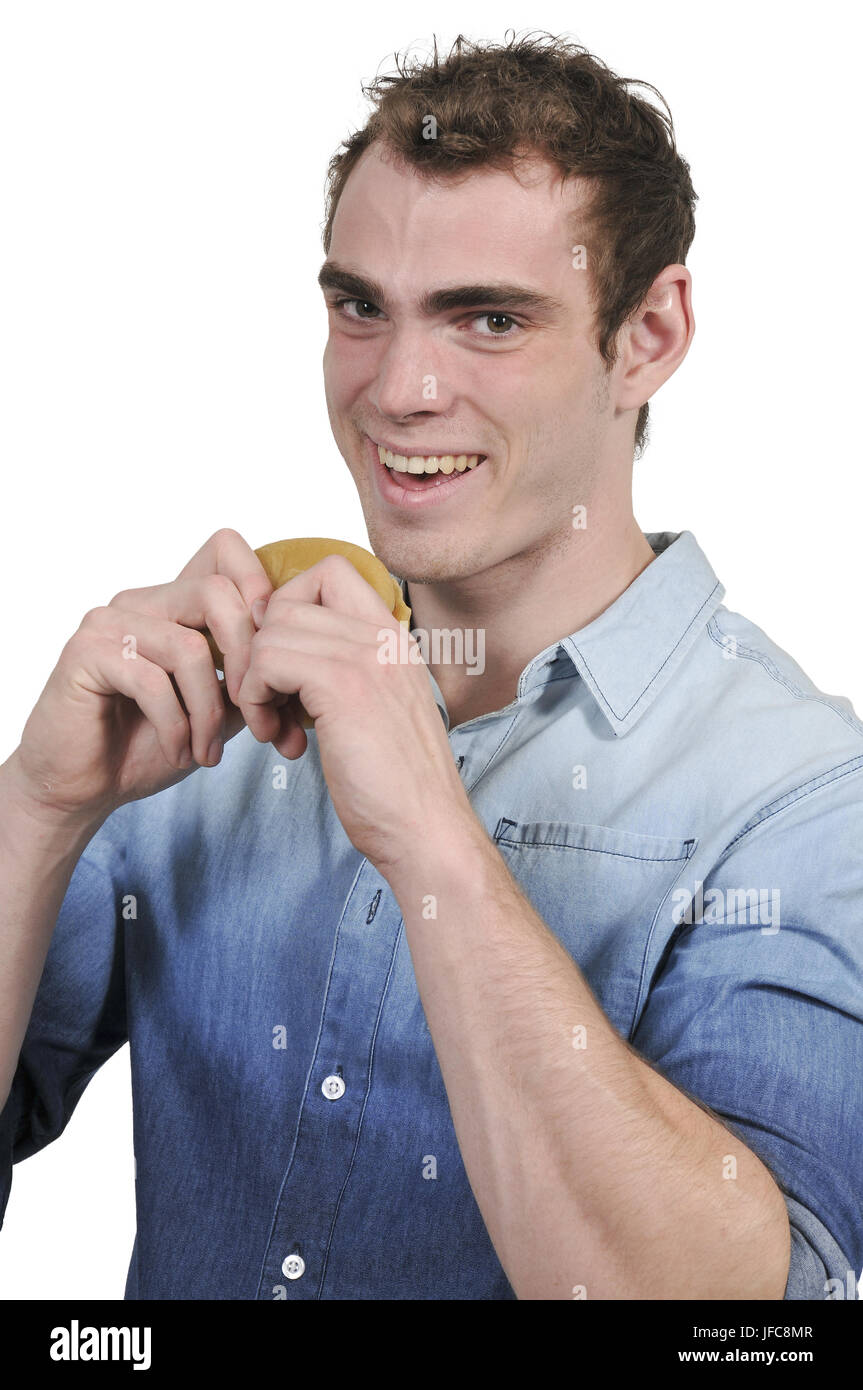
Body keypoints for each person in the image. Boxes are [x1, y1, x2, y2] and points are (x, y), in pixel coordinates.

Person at [1, 32, 861, 1302]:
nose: (399, 389)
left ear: (648, 333)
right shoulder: (209, 706)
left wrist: (432, 840)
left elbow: (758, 1323)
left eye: (489, 319)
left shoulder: (801, 799)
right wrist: (37, 806)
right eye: (361, 306)